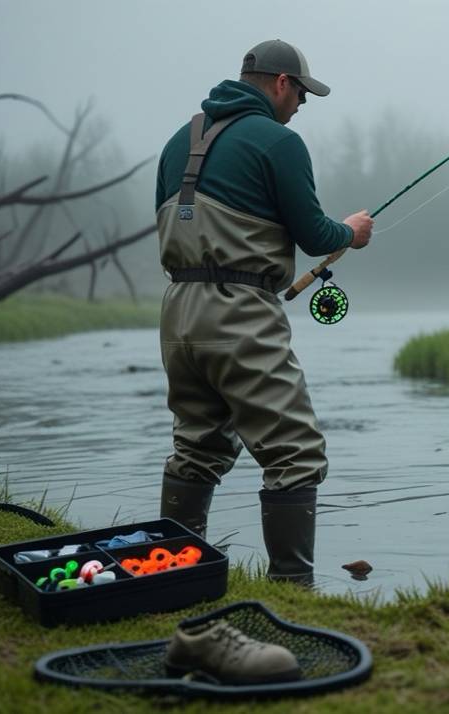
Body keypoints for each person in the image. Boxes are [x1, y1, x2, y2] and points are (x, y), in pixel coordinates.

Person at [153, 39, 372, 584]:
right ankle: (293, 589)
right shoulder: (280, 143)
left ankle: (174, 577)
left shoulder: (178, 141)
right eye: (301, 93)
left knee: (197, 446)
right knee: (295, 453)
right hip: (240, 313)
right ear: (281, 83)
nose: (301, 105)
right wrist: (353, 232)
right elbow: (315, 233)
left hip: (178, 312)